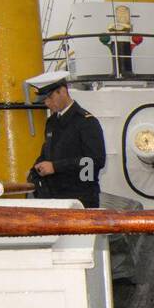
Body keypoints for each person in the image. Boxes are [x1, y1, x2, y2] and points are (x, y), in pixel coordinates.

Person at [24, 72, 107, 207]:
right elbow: (47, 154)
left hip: (80, 200)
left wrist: (55, 167)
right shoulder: (52, 122)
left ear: (62, 91)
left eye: (50, 97)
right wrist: (35, 169)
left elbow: (96, 161)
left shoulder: (86, 122)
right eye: (45, 100)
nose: (47, 103)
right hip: (55, 199)